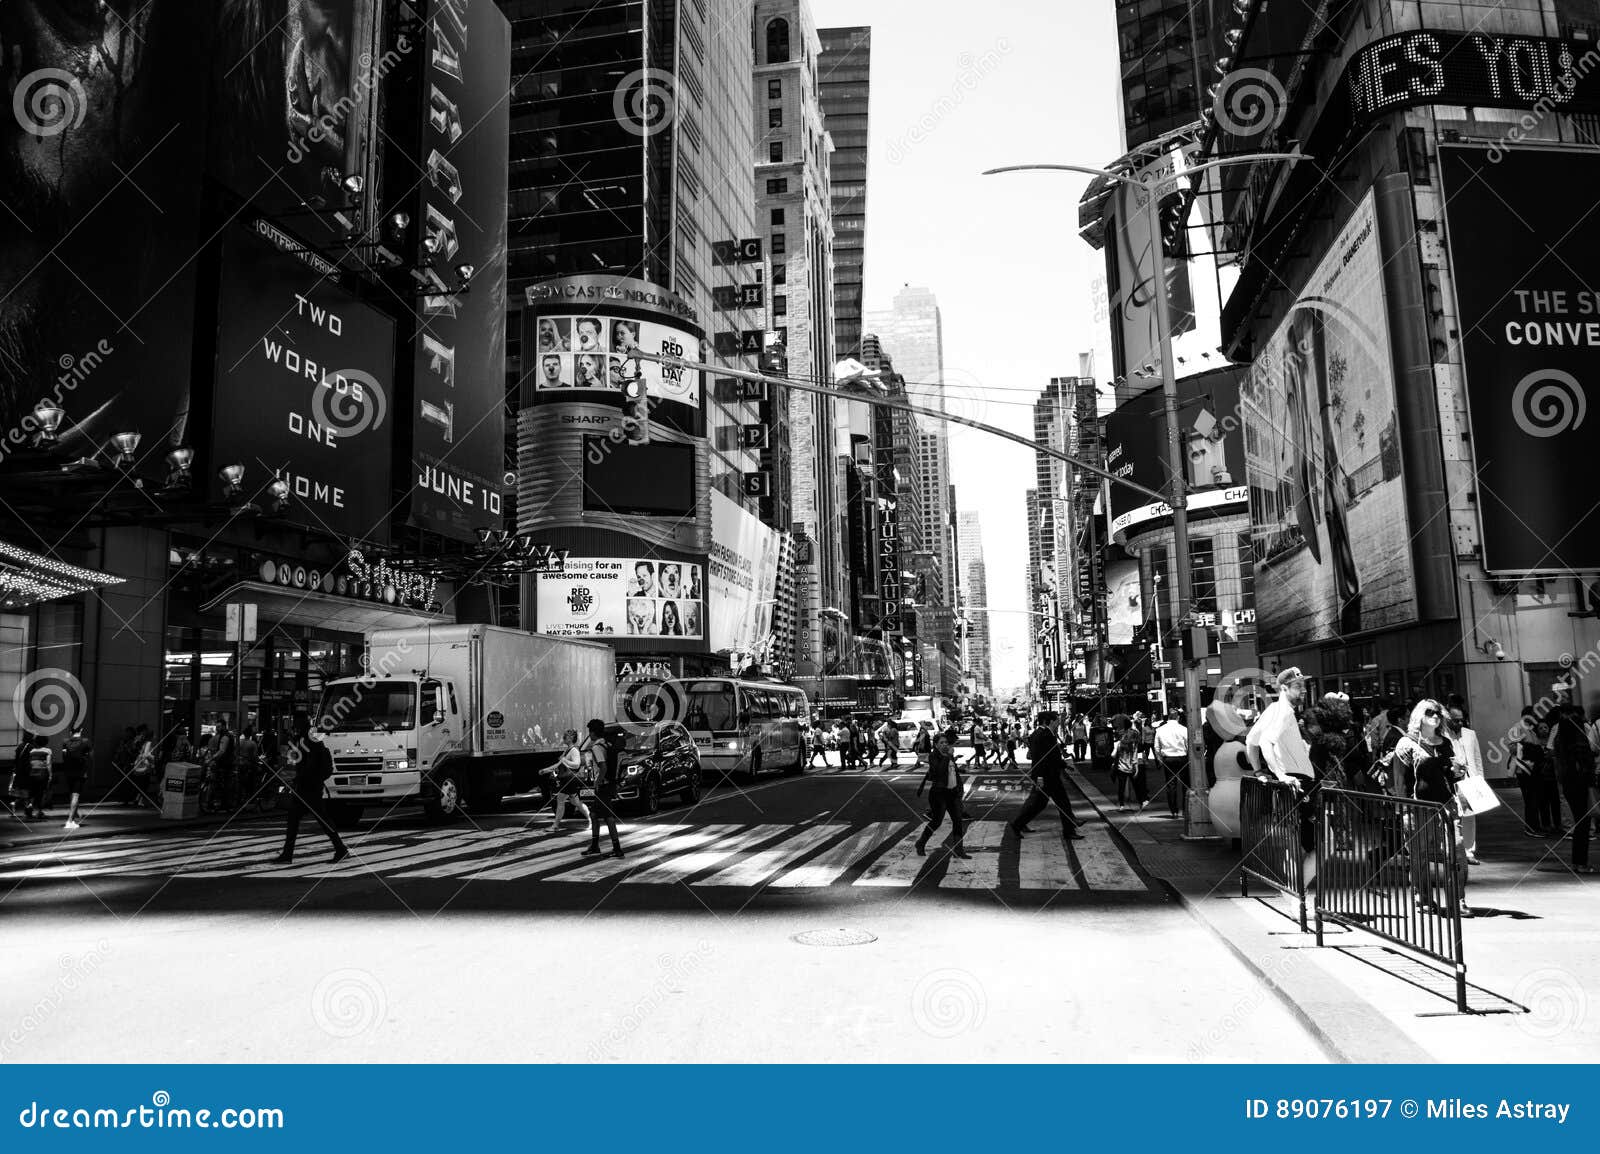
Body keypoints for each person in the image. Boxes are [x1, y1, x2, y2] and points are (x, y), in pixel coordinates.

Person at [1389, 699, 1471, 915]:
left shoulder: (1445, 743)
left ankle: (1458, 900)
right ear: (1419, 716)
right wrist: (1403, 810)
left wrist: (1457, 773)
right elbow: (1399, 781)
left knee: (1457, 851)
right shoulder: (1407, 743)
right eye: (1429, 712)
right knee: (1420, 855)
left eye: (1438, 713)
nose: (1435, 716)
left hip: (1447, 806)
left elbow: (1449, 776)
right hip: (1418, 808)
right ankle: (1423, 898)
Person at [1246, 667, 1317, 853]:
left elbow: (1250, 741)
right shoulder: (1284, 712)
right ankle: (1297, 881)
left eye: (1304, 685)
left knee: (1297, 843)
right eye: (1298, 686)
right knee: (1312, 845)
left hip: (1294, 782)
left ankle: (1294, 880)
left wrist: (1259, 771)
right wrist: (1279, 774)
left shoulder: (1274, 709)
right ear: (1284, 688)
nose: (1304, 689)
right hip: (1298, 783)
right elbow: (1264, 741)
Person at [272, 715, 349, 865]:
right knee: (303, 819)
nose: (294, 730)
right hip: (310, 787)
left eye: (295, 727)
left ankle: (340, 849)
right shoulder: (312, 741)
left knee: (309, 819)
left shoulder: (308, 743)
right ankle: (339, 849)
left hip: (308, 788)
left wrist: (298, 778)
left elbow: (310, 766)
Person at [1010, 712, 1084, 839]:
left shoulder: (1038, 733)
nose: (1057, 722)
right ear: (1047, 721)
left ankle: (1018, 824)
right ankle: (1069, 830)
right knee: (1061, 802)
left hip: (1046, 774)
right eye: (1055, 720)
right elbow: (1044, 757)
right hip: (1048, 775)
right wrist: (1063, 765)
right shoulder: (1045, 735)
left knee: (1041, 803)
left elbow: (1047, 754)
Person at [1548, 697, 1595, 875]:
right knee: (1584, 823)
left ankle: (1577, 862)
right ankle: (1581, 863)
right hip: (1580, 783)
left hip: (1567, 783)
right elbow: (1587, 760)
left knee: (1579, 822)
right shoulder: (1579, 741)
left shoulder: (1561, 739)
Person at [915, 730, 970, 858]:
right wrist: (948, 757)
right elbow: (939, 772)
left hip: (952, 793)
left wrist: (958, 790)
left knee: (957, 821)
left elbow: (953, 773)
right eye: (941, 743)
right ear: (936, 745)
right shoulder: (934, 756)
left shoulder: (948, 755)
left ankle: (959, 849)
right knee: (936, 822)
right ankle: (921, 843)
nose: (945, 745)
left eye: (946, 742)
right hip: (939, 794)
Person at [1443, 700, 1485, 864]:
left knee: (1469, 817)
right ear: (1447, 720)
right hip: (1452, 782)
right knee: (1454, 818)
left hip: (1470, 781)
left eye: (1461, 719)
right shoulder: (1443, 736)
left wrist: (1480, 780)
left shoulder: (1470, 734)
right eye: (1455, 720)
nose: (1459, 723)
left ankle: (1468, 851)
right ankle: (1453, 851)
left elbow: (1477, 759)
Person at [580, 719, 625, 858]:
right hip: (608, 784)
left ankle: (617, 849)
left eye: (590, 731)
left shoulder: (596, 747)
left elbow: (603, 766)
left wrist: (598, 782)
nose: (590, 734)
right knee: (594, 814)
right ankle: (595, 846)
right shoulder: (606, 743)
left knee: (608, 817)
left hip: (603, 786)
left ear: (593, 732)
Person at [551, 730, 591, 833]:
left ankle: (555, 825)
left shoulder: (574, 750)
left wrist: (565, 760)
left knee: (561, 799)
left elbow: (576, 764)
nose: (564, 737)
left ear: (572, 738)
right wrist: (545, 770)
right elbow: (559, 764)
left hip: (570, 780)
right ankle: (591, 819)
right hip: (567, 780)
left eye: (566, 736)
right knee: (575, 802)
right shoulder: (567, 750)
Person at [1153, 710, 1189, 818]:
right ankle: (1185, 809)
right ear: (1177, 718)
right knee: (1185, 784)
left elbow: (1156, 747)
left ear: (1168, 717)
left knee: (1171, 785)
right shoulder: (1184, 729)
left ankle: (1174, 811)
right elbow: (1187, 744)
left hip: (1168, 758)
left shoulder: (1160, 729)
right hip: (1182, 757)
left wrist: (1159, 758)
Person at [62, 724, 94, 830]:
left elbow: (64, 756)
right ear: (81, 729)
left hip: (68, 771)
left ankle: (74, 817)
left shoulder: (65, 742)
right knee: (76, 795)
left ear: (71, 731)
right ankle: (69, 821)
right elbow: (91, 756)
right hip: (80, 772)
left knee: (71, 794)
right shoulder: (85, 742)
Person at [1111, 723, 1145, 811]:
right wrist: (1136, 769)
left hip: (1121, 768)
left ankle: (1121, 805)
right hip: (1131, 768)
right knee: (1136, 786)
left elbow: (1113, 755)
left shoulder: (1119, 743)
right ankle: (1140, 802)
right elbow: (1134, 759)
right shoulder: (1133, 745)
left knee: (1121, 787)